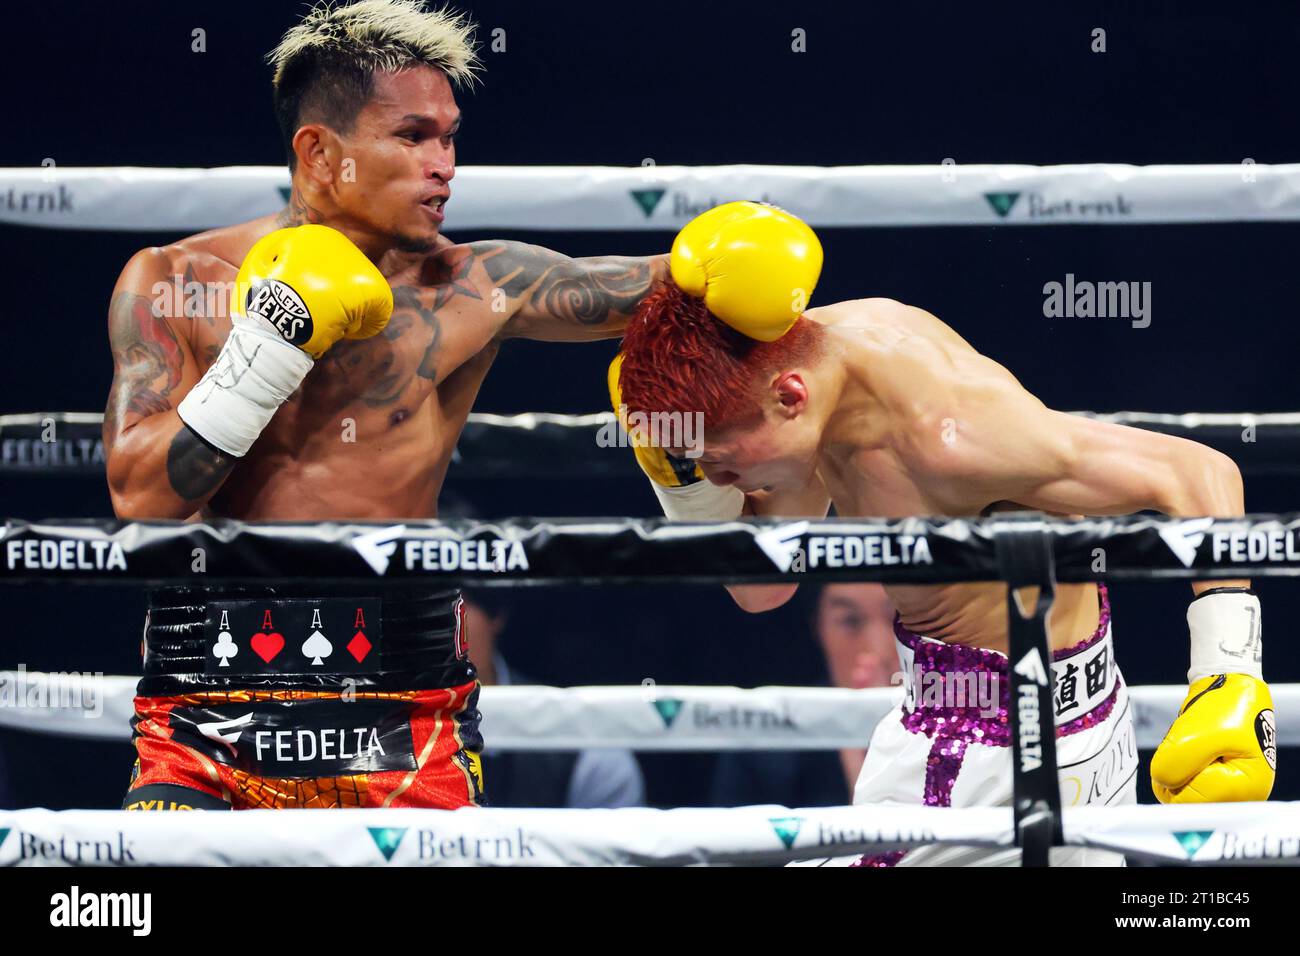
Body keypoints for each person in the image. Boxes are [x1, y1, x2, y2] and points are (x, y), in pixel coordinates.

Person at [108, 0, 668, 811]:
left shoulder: (477, 286)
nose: (444, 164)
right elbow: (142, 500)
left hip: (404, 710)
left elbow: (670, 287)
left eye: (449, 136)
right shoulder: (176, 282)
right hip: (207, 713)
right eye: (412, 136)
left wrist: (736, 255)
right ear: (319, 151)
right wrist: (268, 345)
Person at [611, 201, 1276, 865]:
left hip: (979, 753)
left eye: (723, 462)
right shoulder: (821, 360)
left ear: (789, 398)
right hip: (1066, 713)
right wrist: (683, 485)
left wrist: (1229, 675)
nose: (721, 482)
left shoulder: (950, 434)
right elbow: (762, 590)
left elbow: (1196, 472)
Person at [710, 583, 896, 808]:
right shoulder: (761, 746)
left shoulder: (948, 732)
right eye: (850, 621)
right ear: (817, 626)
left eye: (898, 618)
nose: (877, 649)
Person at [462, 591, 646, 809]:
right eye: (417, 615)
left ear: (496, 615)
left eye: (455, 609)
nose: (435, 634)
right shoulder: (411, 735)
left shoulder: (583, 753)